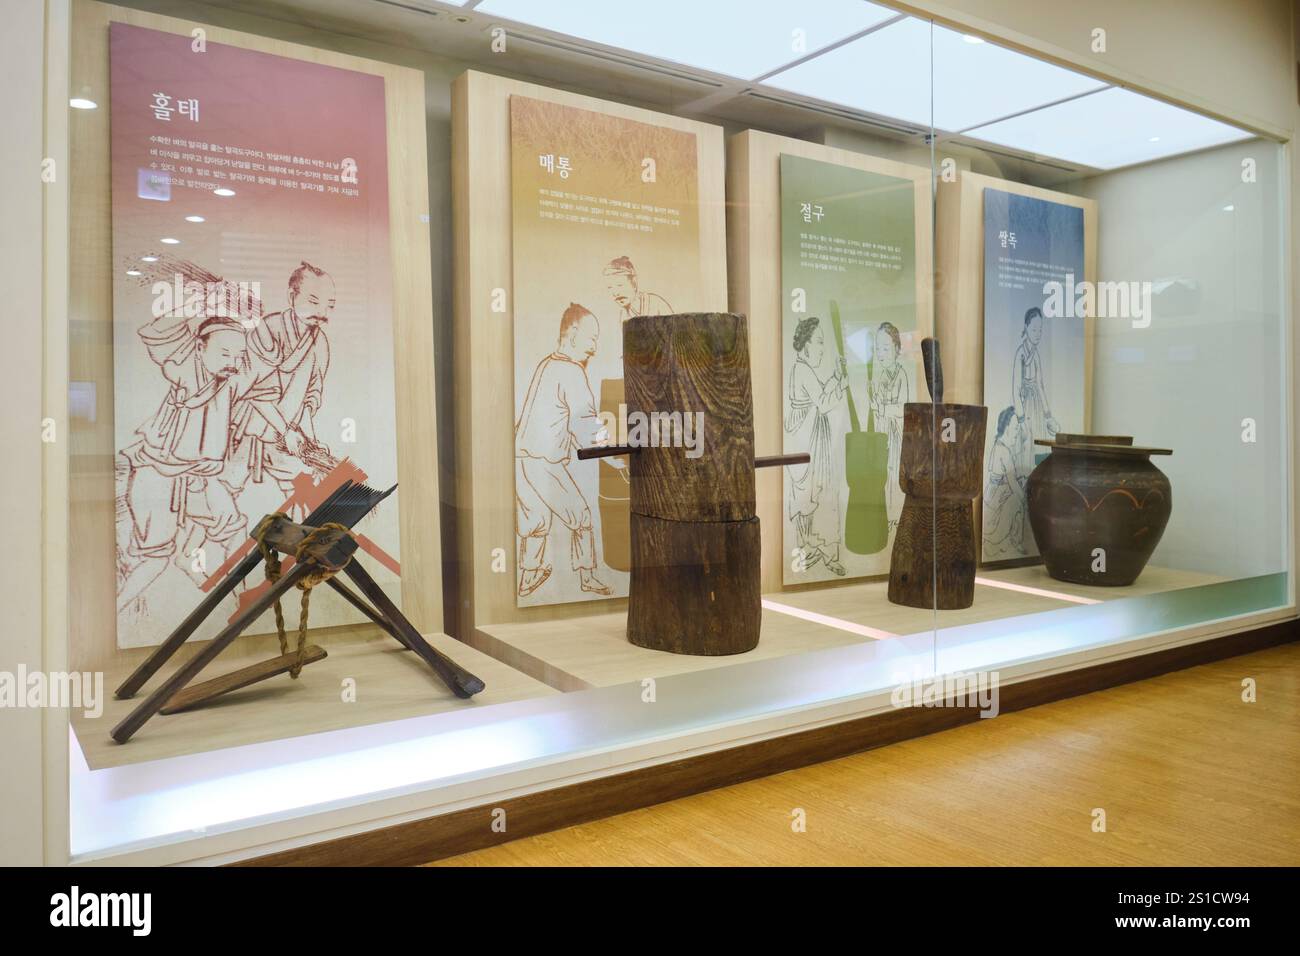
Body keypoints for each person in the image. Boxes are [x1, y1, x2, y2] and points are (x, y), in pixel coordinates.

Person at [116, 313, 263, 611]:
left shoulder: (231, 382)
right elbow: (155, 333)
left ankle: (242, 599)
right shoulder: (186, 372)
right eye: (224, 353)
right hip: (157, 475)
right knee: (155, 559)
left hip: (202, 478)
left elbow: (265, 379)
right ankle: (115, 608)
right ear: (199, 347)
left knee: (235, 530)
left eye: (238, 355)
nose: (232, 361)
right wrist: (189, 304)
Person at [515, 304, 612, 598]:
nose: (595, 347)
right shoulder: (570, 370)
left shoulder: (547, 364)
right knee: (581, 517)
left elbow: (556, 420)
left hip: (521, 458)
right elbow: (584, 425)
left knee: (535, 521)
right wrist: (613, 452)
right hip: (543, 463)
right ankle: (587, 577)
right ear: (572, 334)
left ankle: (528, 576)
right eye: (592, 338)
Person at [224, 261, 336, 502]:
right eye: (314, 302)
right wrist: (286, 431)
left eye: (330, 305)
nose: (323, 313)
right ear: (291, 297)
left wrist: (309, 438)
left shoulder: (321, 342)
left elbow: (311, 393)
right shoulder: (268, 329)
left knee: (305, 492)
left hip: (288, 437)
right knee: (224, 492)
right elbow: (254, 390)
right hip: (249, 428)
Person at [784, 316, 847, 576]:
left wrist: (834, 378)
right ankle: (810, 548)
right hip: (805, 438)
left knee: (814, 497)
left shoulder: (804, 370)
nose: (822, 348)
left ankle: (817, 548)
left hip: (811, 436)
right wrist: (841, 385)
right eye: (819, 342)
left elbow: (819, 392)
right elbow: (822, 402)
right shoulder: (801, 370)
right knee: (808, 497)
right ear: (806, 344)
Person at [868, 322, 910, 526]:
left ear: (897, 349)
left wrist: (882, 408)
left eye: (886, 348)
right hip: (885, 434)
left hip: (898, 436)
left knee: (896, 476)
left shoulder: (901, 375)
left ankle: (897, 518)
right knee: (884, 476)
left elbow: (903, 408)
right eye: (878, 348)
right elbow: (880, 410)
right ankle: (887, 518)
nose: (881, 353)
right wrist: (875, 403)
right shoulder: (882, 376)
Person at [1012, 306, 1060, 464]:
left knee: (1040, 450)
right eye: (1034, 330)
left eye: (1040, 330)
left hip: (1037, 409)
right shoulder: (1021, 353)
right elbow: (1016, 390)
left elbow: (1040, 386)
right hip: (1026, 412)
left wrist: (1049, 417)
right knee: (1026, 451)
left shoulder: (1036, 354)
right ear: (1026, 327)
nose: (1038, 334)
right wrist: (1021, 420)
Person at [983, 405, 1030, 556]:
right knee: (1018, 500)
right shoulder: (1003, 450)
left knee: (1020, 487)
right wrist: (1025, 499)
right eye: (1016, 427)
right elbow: (1012, 483)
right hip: (996, 496)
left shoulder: (1000, 445)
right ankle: (1015, 541)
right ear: (1007, 426)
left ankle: (1011, 541)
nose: (1017, 432)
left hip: (995, 491)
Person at [603, 256, 672, 322]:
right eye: (610, 287)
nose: (616, 293)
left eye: (620, 285)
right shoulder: (621, 315)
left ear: (634, 283)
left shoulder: (656, 304)